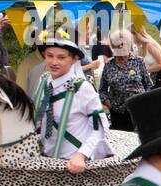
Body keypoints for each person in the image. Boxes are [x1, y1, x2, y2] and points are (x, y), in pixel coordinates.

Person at [31, 35, 113, 172]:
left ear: (74, 59)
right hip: (46, 161)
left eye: (61, 57)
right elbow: (37, 116)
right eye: (49, 56)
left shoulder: (83, 88)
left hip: (73, 165)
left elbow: (100, 127)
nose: (54, 62)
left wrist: (81, 156)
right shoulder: (43, 80)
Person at [98, 29, 161, 132]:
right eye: (117, 45)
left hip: (139, 110)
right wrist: (110, 105)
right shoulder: (108, 66)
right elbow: (102, 90)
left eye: (122, 44)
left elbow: (149, 85)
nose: (120, 47)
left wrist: (143, 101)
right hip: (118, 112)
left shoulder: (138, 61)